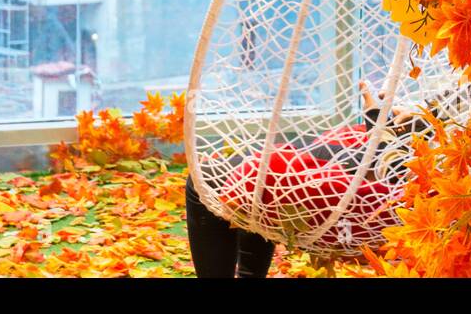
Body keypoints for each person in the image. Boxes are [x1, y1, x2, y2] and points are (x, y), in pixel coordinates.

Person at [184, 81, 433, 277]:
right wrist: (405, 123)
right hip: (386, 180)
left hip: (369, 199)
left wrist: (381, 125)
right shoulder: (469, 111)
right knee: (262, 163)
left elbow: (393, 166)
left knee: (208, 179)